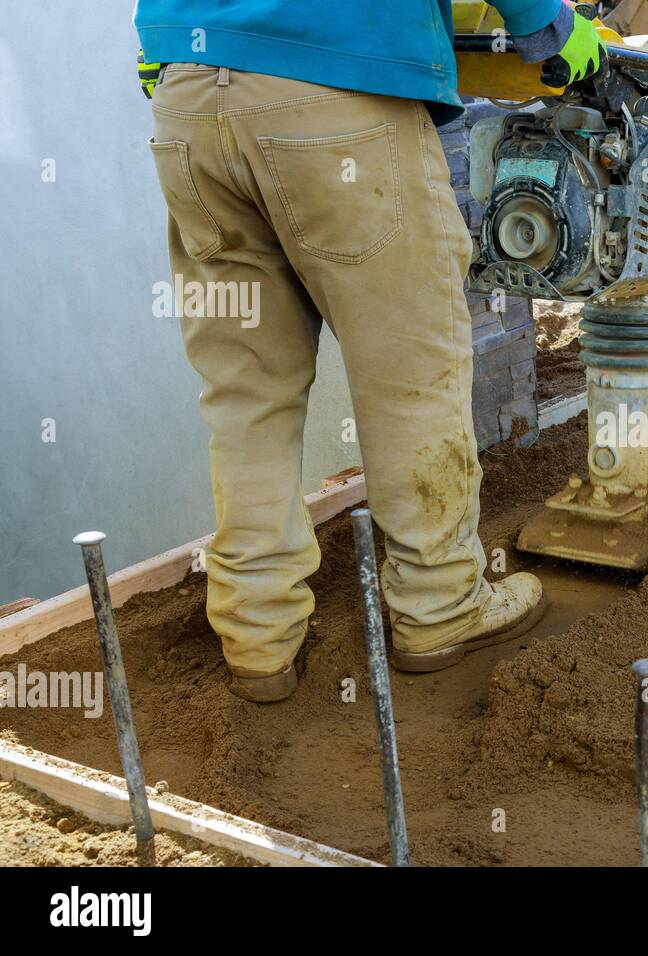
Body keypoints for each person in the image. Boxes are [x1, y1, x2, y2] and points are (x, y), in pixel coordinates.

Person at [134, 0, 606, 702]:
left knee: (245, 392)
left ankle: (257, 635)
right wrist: (554, 27)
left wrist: (168, 45)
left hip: (189, 102)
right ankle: (440, 607)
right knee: (411, 376)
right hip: (341, 95)